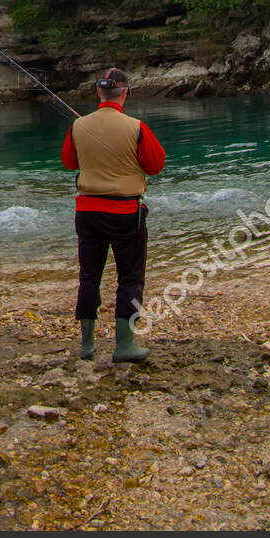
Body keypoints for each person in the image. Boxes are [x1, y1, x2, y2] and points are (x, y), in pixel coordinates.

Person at [61, 67, 166, 363]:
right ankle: (124, 346)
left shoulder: (78, 126)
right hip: (125, 213)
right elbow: (156, 165)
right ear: (125, 92)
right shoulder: (137, 127)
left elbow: (69, 163)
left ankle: (87, 346)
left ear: (98, 92)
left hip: (88, 212)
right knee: (130, 278)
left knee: (88, 276)